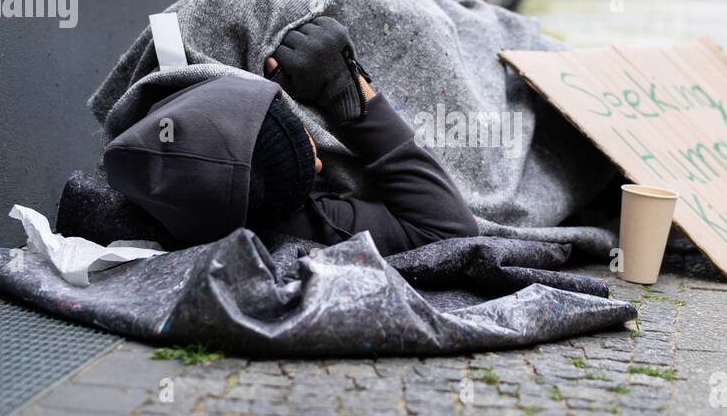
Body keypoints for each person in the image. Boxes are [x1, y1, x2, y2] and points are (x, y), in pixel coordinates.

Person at [104, 16, 479, 256]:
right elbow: (449, 230)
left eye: (301, 133)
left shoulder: (186, 43)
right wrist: (346, 90)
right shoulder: (286, 222)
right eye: (308, 173)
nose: (319, 161)